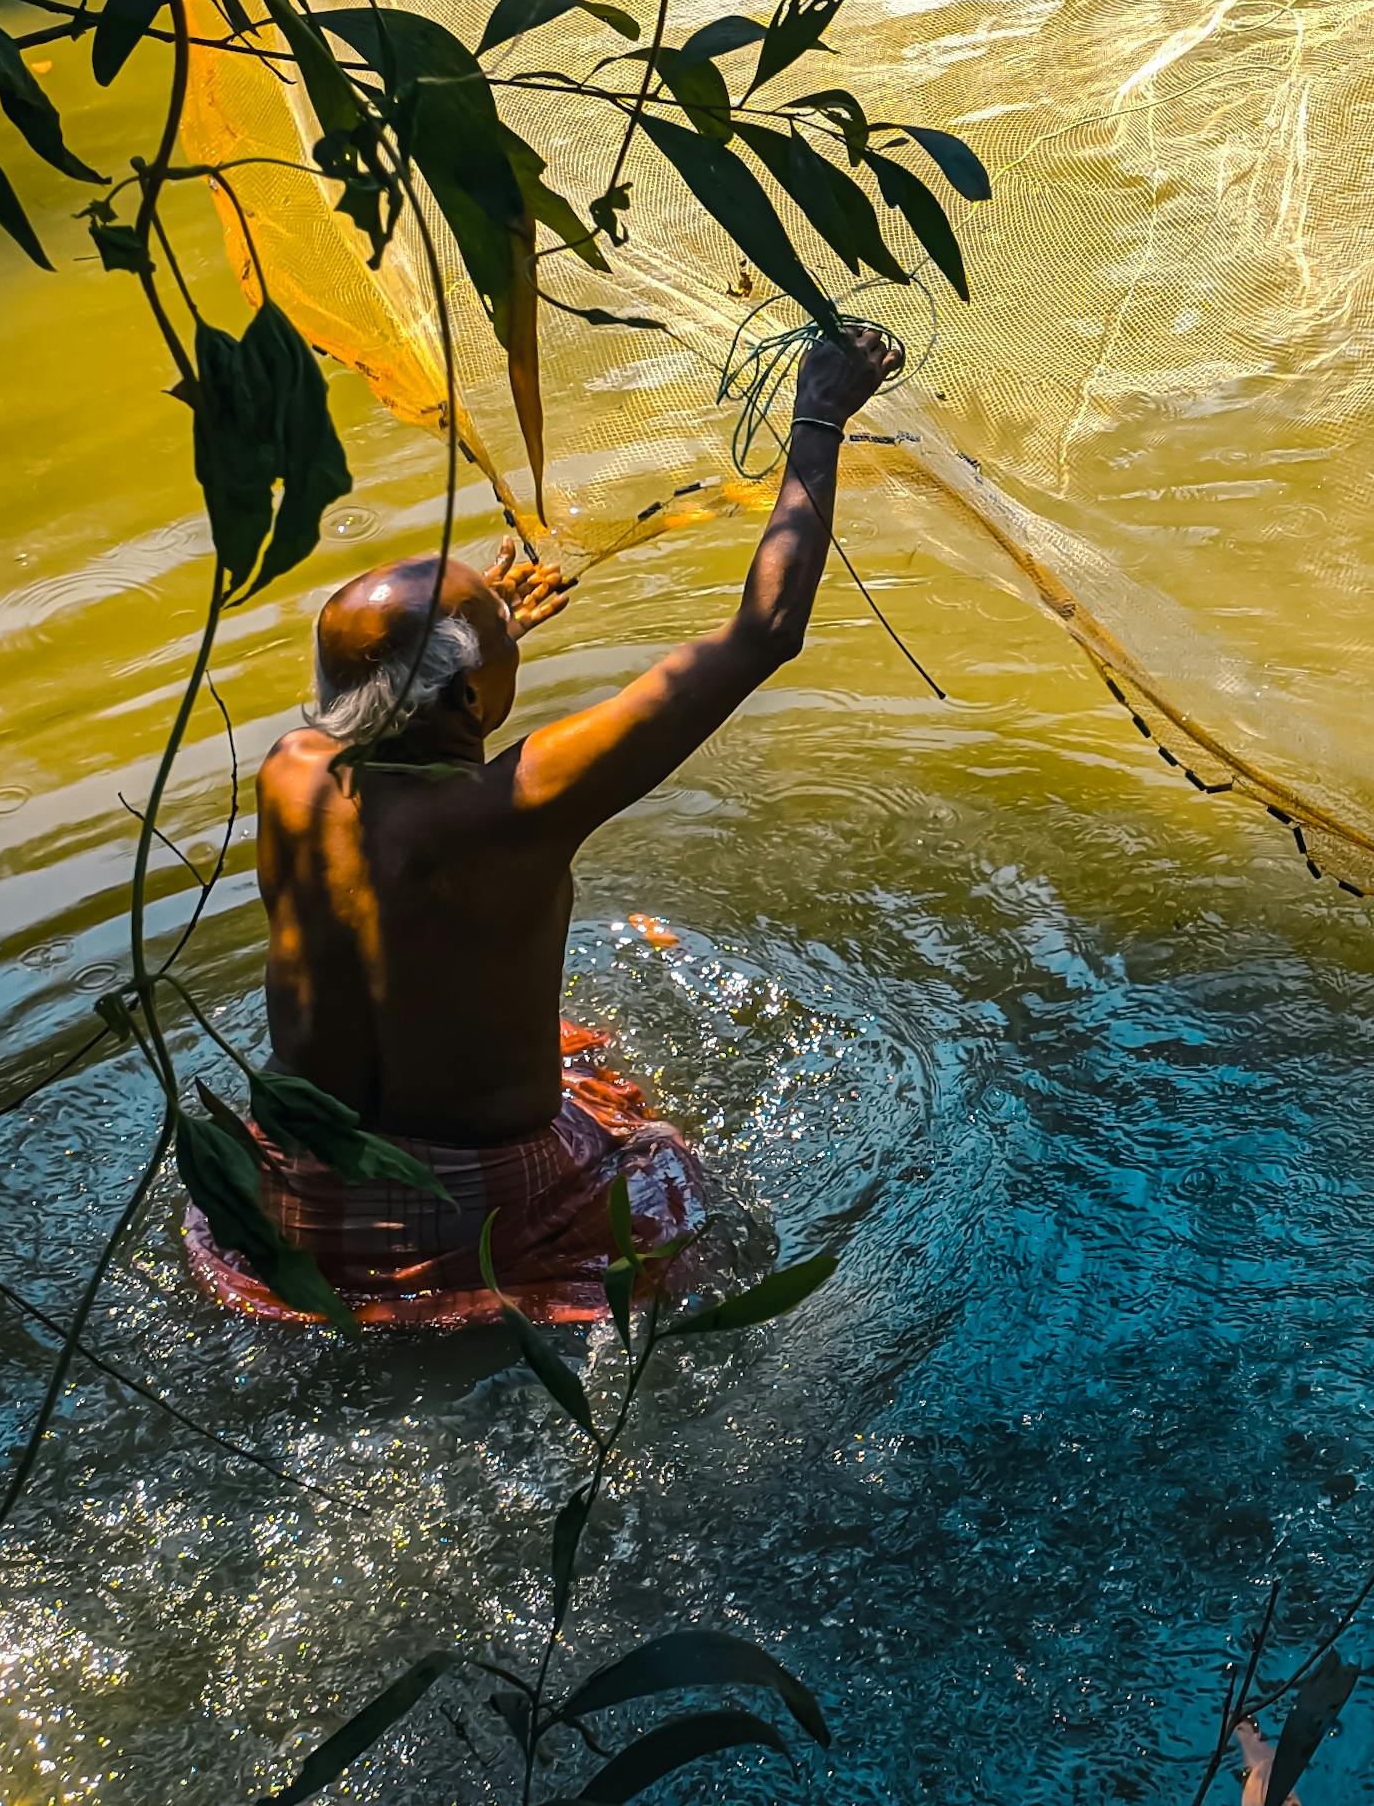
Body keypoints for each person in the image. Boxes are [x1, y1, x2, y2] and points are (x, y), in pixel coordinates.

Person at [187, 319, 904, 1328]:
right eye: (493, 646)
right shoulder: (514, 801)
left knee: (563, 1051)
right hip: (476, 1205)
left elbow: (392, 692)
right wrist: (819, 414)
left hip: (300, 1191)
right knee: (663, 1163)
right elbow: (764, 631)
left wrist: (486, 631)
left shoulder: (289, 774)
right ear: (467, 698)